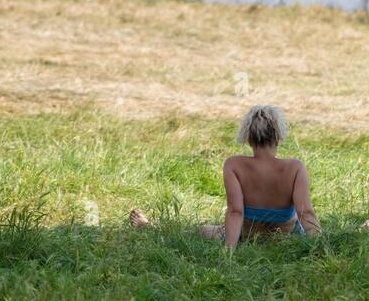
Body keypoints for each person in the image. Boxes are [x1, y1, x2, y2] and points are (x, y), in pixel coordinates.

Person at [130, 104, 322, 249]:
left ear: (247, 137)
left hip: (245, 237)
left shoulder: (234, 165)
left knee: (201, 230)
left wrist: (229, 249)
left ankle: (151, 227)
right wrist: (319, 248)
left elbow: (235, 211)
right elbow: (306, 213)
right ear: (279, 136)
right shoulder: (295, 168)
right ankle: (150, 227)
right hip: (287, 239)